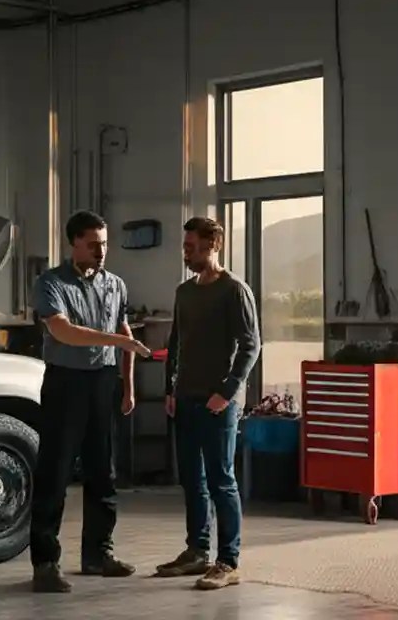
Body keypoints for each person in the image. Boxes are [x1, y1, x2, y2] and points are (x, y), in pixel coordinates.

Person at [30, 210, 150, 594]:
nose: (101, 251)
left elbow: (125, 333)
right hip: (65, 383)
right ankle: (45, 563)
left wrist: (128, 387)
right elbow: (63, 331)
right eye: (93, 244)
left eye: (105, 244)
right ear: (74, 244)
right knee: (55, 473)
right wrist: (117, 341)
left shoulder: (115, 284)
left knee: (103, 471)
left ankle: (99, 554)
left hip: (103, 382)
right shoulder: (51, 283)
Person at [155, 216, 260, 590]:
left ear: (213, 245)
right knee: (192, 480)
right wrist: (170, 389)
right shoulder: (184, 292)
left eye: (191, 246)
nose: (185, 253)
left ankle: (228, 561)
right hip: (185, 398)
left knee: (221, 480)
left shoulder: (234, 291)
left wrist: (227, 392)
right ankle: (197, 551)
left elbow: (251, 346)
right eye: (185, 246)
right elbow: (176, 343)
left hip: (219, 403)